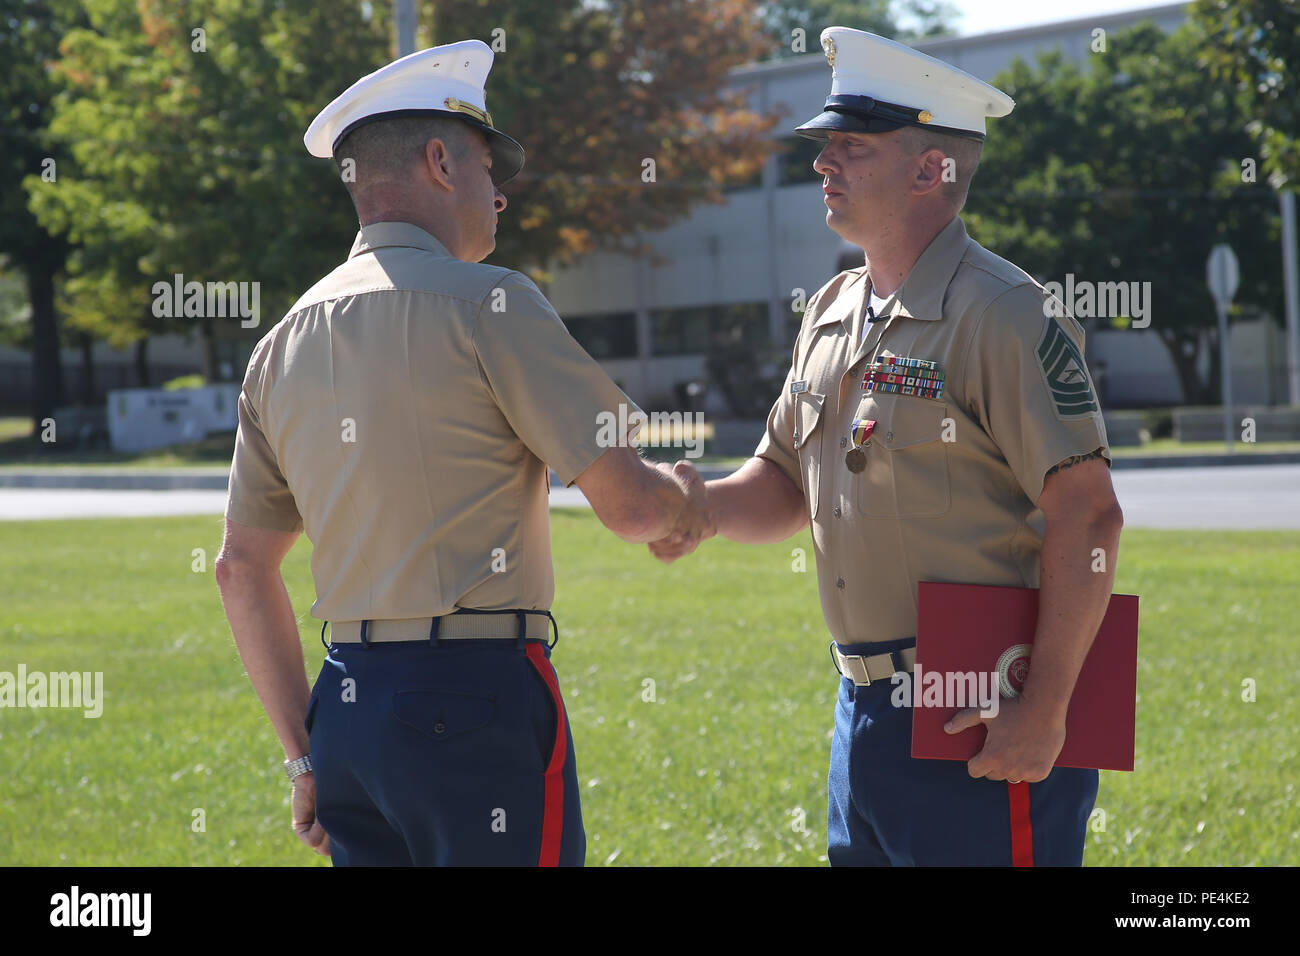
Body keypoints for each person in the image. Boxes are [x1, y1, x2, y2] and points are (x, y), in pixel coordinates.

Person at [214, 40, 712, 866]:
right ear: (441, 162)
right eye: (489, 168)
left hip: (343, 709)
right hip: (472, 695)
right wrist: (687, 504)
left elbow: (240, 567)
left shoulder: (279, 343)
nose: (502, 196)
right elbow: (628, 507)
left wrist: (305, 754)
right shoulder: (493, 303)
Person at [653, 28, 1124, 866]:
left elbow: (1088, 517)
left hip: (982, 704)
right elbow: (784, 481)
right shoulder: (831, 309)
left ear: (929, 171)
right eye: (826, 146)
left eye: (852, 146)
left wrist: (1046, 707)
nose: (822, 163)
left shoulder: (1006, 312)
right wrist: (701, 509)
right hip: (861, 711)